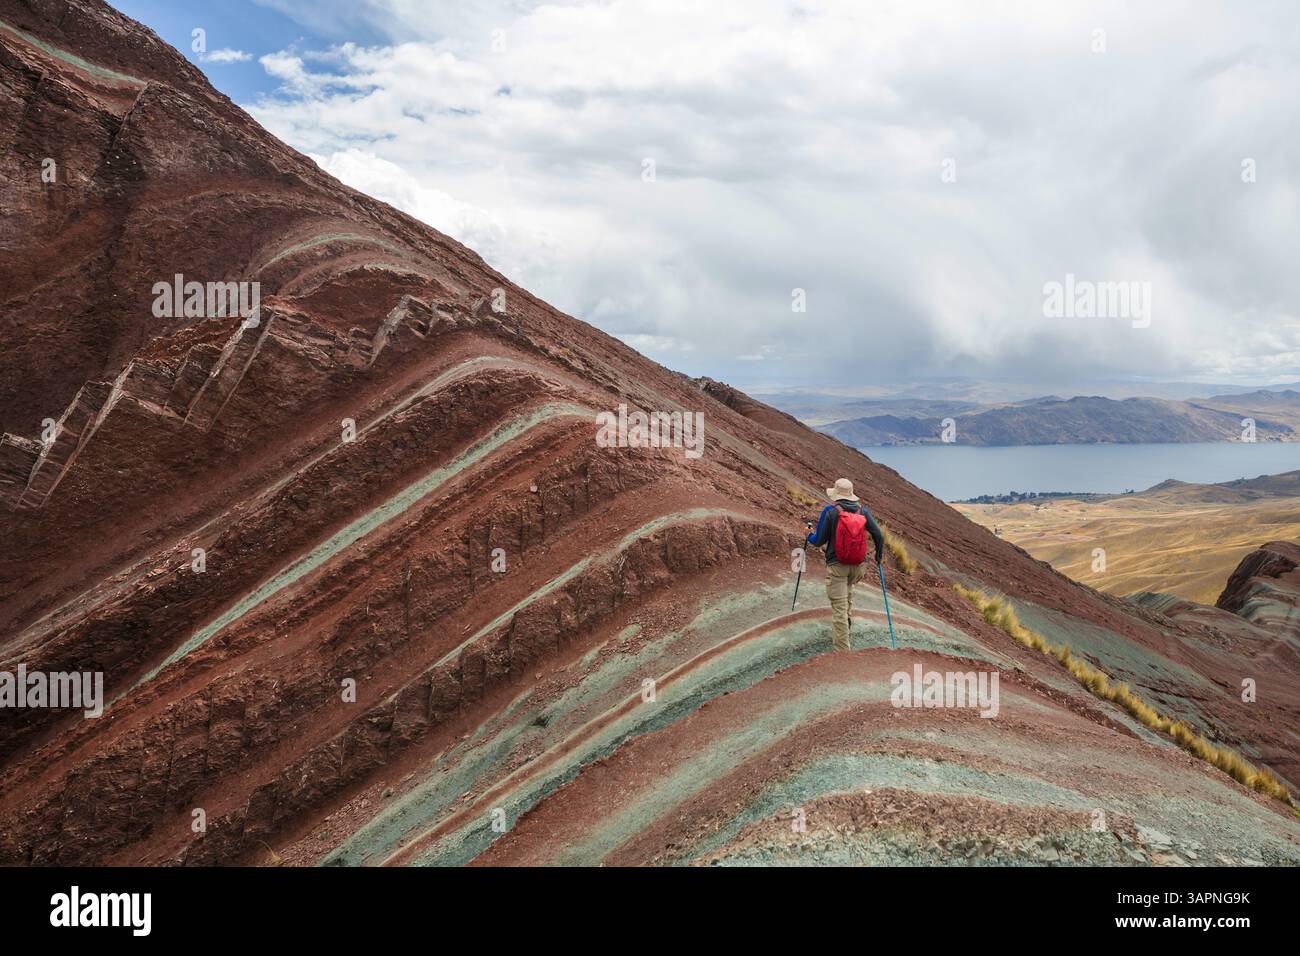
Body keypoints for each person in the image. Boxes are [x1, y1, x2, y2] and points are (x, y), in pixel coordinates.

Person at [806, 478, 884, 651]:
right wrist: (879, 556)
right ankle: (847, 625)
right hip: (858, 566)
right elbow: (879, 535)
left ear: (836, 494)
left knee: (838, 609)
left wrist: (808, 535)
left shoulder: (830, 511)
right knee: (848, 592)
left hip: (837, 566)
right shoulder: (862, 510)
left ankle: (842, 652)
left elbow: (818, 541)